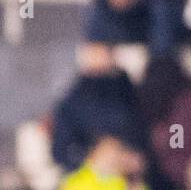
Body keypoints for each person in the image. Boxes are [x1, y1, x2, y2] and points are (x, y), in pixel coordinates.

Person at [51, 42, 147, 172]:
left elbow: (144, 130)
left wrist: (131, 154)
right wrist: (93, 156)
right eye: (96, 52)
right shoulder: (72, 102)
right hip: (95, 178)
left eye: (106, 51)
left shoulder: (126, 90)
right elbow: (61, 153)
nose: (102, 57)